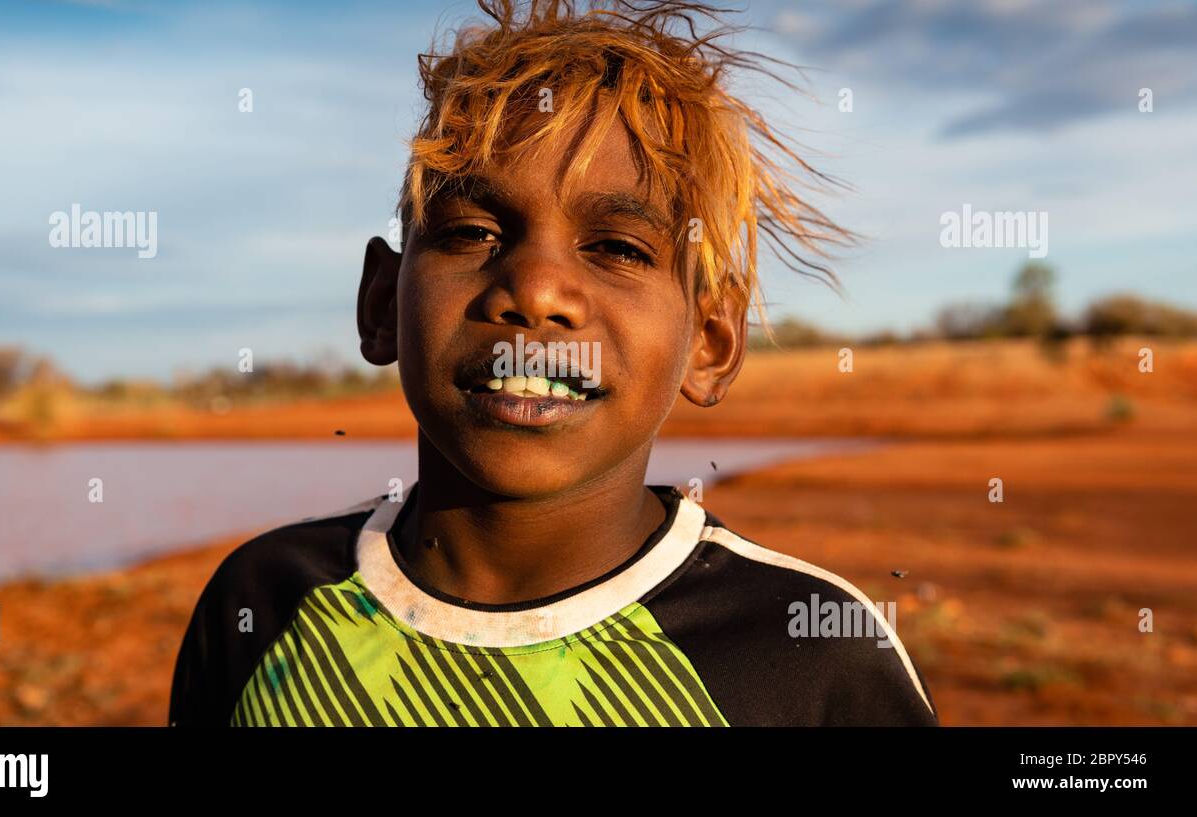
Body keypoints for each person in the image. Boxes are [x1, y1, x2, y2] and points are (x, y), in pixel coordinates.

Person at [169, 0, 937, 727]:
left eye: (617, 248)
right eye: (471, 231)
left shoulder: (812, 659)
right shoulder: (263, 603)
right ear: (380, 304)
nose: (534, 290)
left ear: (710, 342)